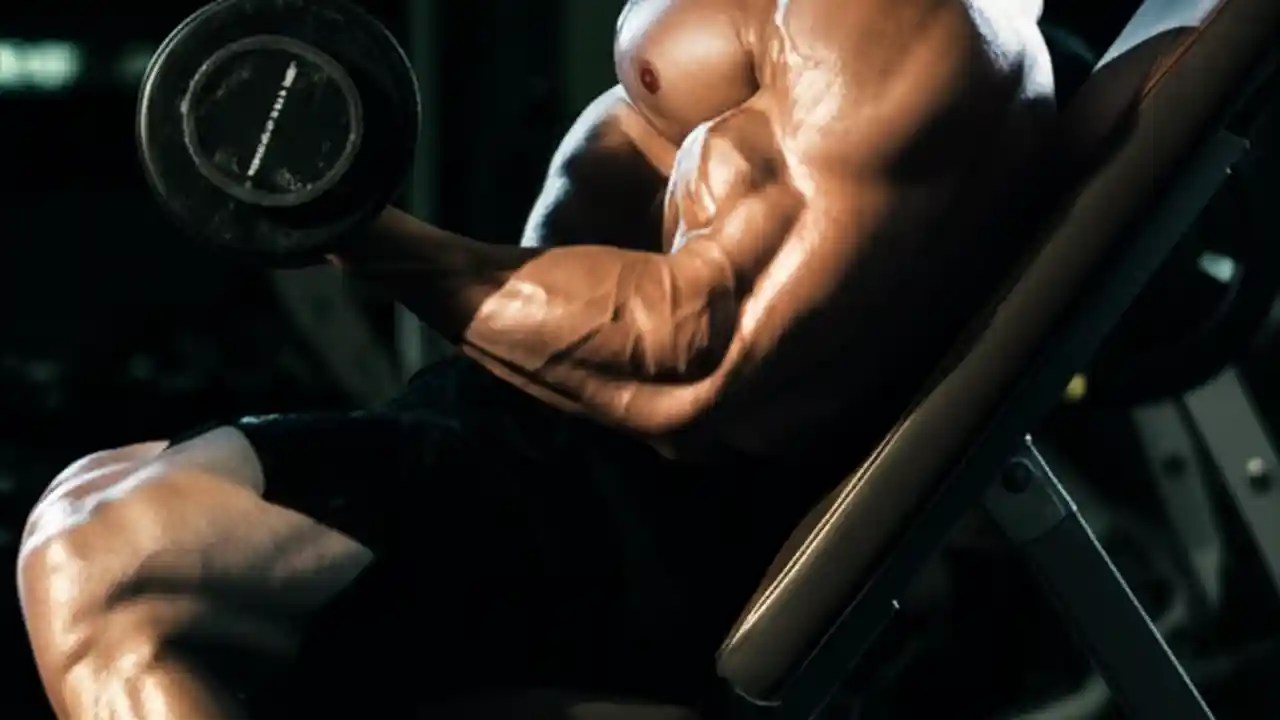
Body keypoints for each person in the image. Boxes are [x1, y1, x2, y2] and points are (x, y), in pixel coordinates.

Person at [17, 0, 1056, 716]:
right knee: (82, 493)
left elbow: (695, 353)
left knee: (104, 569)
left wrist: (360, 231)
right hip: (546, 451)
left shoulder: (895, 23)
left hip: (653, 522)